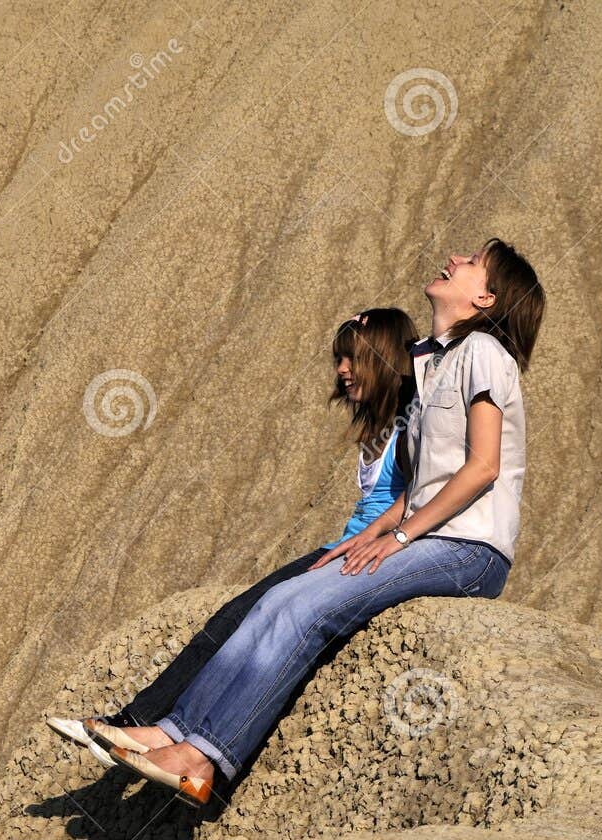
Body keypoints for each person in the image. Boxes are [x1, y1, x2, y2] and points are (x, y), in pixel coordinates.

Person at [97, 238, 545, 807]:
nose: (455, 259)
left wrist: (401, 538)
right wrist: (368, 536)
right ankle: (172, 732)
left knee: (310, 609)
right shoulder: (437, 362)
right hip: (432, 534)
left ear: (485, 296)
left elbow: (483, 468)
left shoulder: (484, 351)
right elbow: (418, 487)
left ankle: (204, 758)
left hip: (470, 550)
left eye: (472, 263)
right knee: (279, 598)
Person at [48, 306, 417, 763]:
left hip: (356, 556)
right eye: (338, 359)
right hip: (342, 548)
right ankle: (142, 727)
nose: (341, 371)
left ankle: (146, 730)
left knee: (239, 619)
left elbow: (425, 493)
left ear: (383, 359)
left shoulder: (412, 425)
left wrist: (389, 542)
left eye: (352, 358)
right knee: (235, 616)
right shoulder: (379, 429)